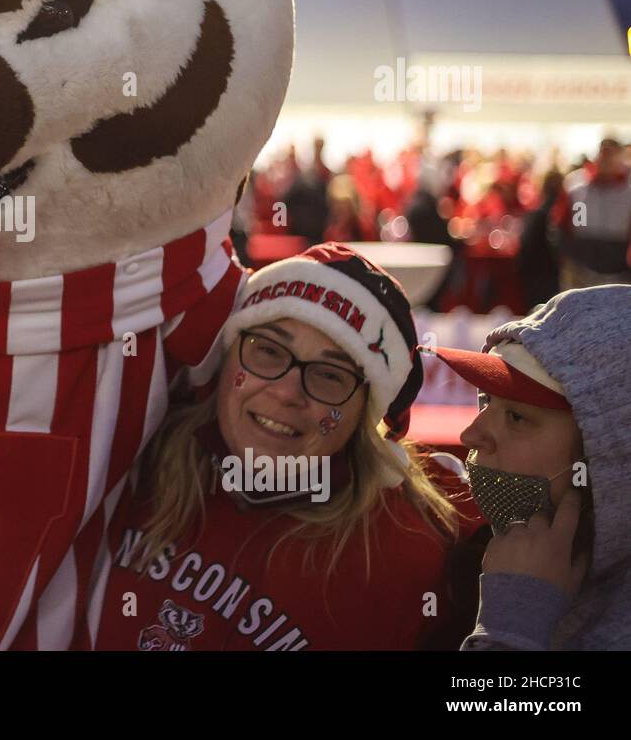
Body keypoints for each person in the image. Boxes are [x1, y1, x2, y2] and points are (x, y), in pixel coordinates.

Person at [88, 243, 473, 651]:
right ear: (227, 356)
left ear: (364, 411)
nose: (287, 392)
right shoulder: (130, 464)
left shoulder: (410, 554)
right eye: (268, 351)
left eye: (329, 374)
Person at [429, 284, 631, 650]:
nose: (471, 434)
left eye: (518, 417)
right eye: (486, 401)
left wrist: (510, 627)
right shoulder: (465, 564)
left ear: (609, 459)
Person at [558, 136, 631, 289]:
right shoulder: (577, 185)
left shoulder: (628, 189)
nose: (606, 161)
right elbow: (562, 225)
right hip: (581, 270)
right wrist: (569, 257)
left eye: (611, 155)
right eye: (603, 154)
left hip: (621, 272)